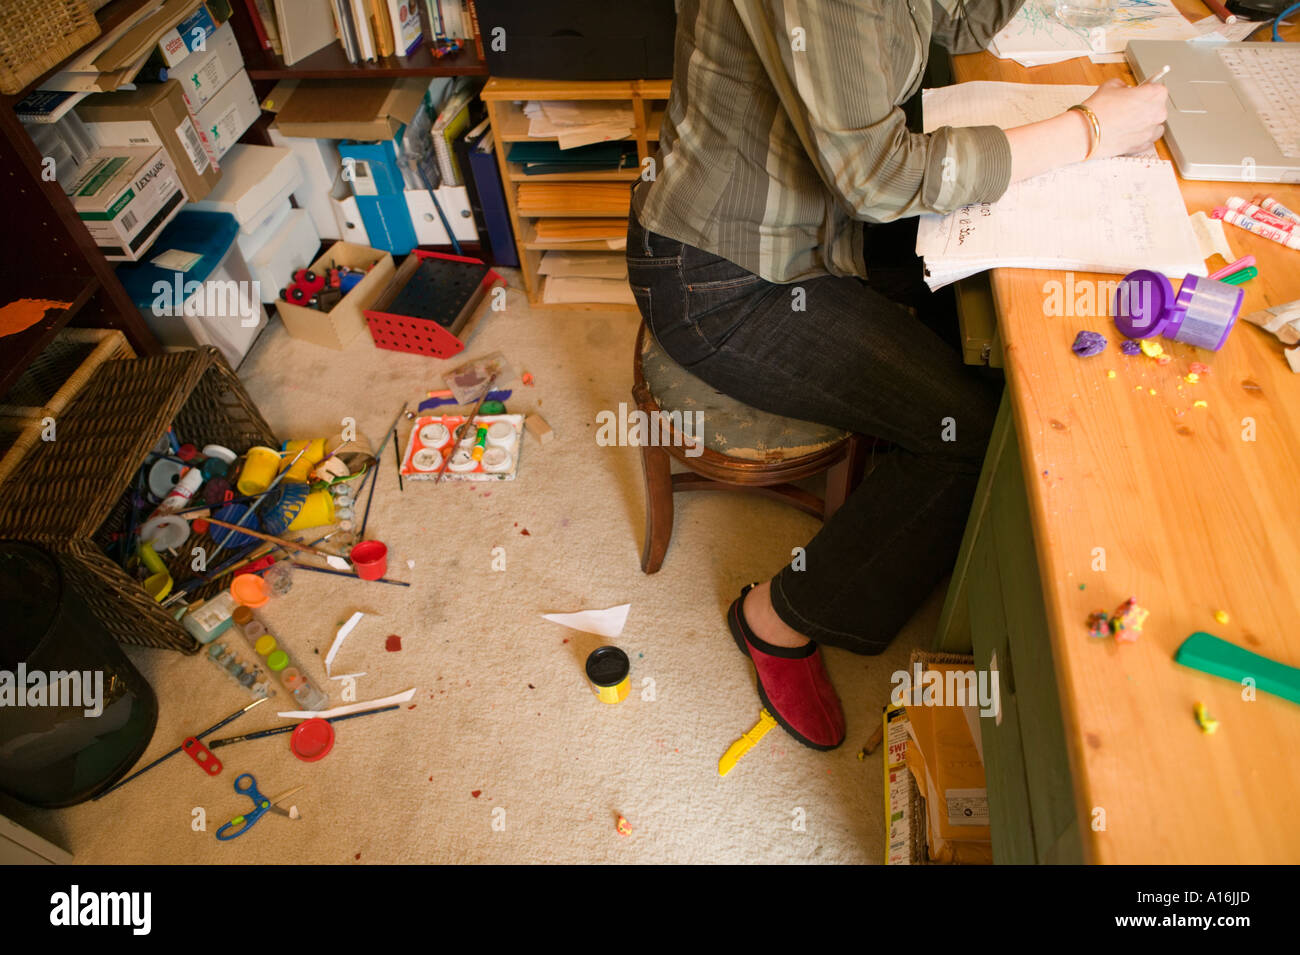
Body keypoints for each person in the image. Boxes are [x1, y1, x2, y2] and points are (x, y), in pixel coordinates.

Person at [626, 0, 1168, 750]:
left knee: (993, 333)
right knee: (975, 435)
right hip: (723, 279)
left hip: (817, 227)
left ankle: (895, 487)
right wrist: (1090, 131)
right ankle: (775, 619)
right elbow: (878, 181)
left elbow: (962, 24)